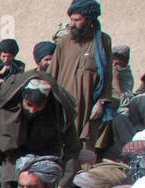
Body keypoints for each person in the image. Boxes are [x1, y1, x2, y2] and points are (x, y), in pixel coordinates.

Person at [0, 73, 82, 188]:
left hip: (44, 161)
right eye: (29, 105)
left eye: (38, 106)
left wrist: (64, 184)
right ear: (22, 99)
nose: (32, 110)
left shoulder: (58, 114)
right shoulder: (4, 110)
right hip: (10, 160)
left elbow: (73, 149)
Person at [46, 0, 114, 151]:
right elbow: (51, 73)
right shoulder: (64, 42)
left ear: (89, 20)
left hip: (90, 104)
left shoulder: (103, 41)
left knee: (86, 148)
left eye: (77, 20)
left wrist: (101, 102)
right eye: (71, 20)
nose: (72, 24)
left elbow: (107, 76)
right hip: (65, 103)